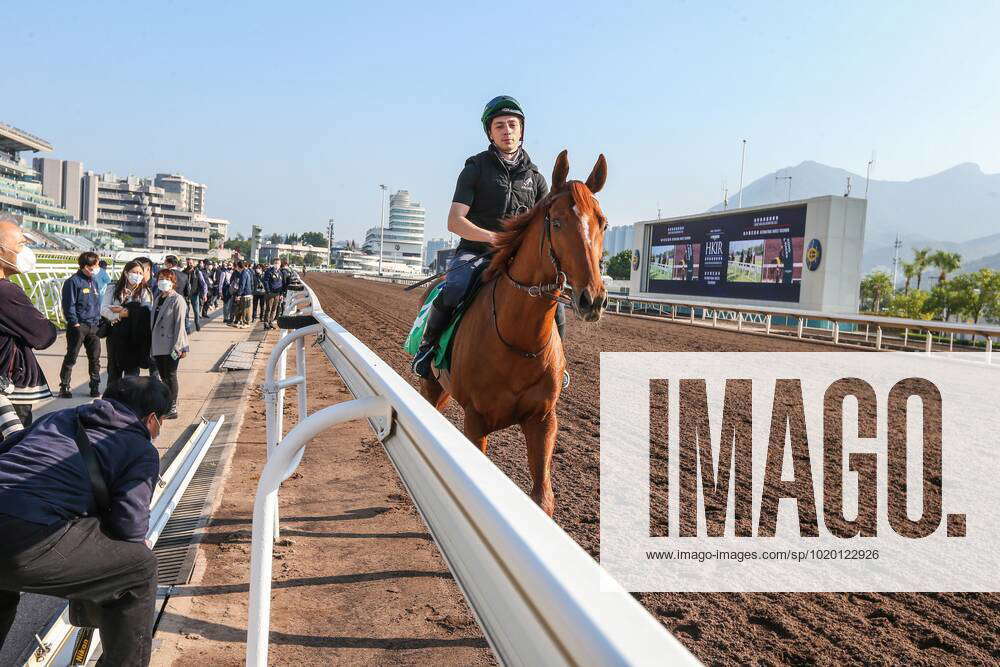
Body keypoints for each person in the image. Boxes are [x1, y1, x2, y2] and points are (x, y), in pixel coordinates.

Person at [0, 376, 170, 666]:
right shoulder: (140, 448)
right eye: (161, 421)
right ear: (152, 419)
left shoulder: (58, 417)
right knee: (140, 569)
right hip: (26, 540)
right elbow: (128, 527)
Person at [411, 95, 568, 385]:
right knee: (454, 288)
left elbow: (545, 229)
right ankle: (427, 349)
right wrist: (492, 238)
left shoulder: (537, 178)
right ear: (490, 133)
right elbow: (455, 220)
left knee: (555, 303)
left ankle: (558, 364)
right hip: (476, 252)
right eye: (499, 126)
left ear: (521, 130)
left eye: (512, 125)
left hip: (517, 260)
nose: (507, 131)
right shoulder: (475, 168)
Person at [0, 215, 56, 435]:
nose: (25, 251)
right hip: (9, 392)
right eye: (21, 245)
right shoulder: (6, 292)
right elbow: (43, 335)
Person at [59, 251, 103, 398]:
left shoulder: (94, 281)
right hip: (79, 326)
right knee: (71, 357)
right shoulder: (73, 281)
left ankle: (94, 385)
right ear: (86, 266)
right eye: (95, 265)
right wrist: (75, 323)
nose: (97, 268)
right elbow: (68, 305)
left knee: (95, 358)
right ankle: (64, 386)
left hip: (93, 325)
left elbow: (97, 304)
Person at [102, 260, 153, 384]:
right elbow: (104, 309)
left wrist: (128, 311)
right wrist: (119, 314)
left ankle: (130, 399)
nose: (137, 275)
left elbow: (146, 312)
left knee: (132, 373)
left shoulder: (144, 291)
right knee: (114, 371)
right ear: (126, 273)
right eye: (134, 272)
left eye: (140, 273)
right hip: (116, 334)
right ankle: (113, 399)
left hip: (135, 336)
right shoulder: (113, 288)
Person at [151, 269, 189, 419]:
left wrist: (178, 346)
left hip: (171, 344)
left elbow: (180, 326)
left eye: (166, 278)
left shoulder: (177, 299)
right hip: (158, 344)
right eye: (160, 278)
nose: (163, 281)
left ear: (173, 282)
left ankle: (172, 407)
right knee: (163, 376)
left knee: (171, 375)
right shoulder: (158, 298)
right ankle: (166, 404)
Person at [183, 257, 207, 332]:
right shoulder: (183, 272)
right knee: (186, 312)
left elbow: (203, 284)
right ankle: (187, 328)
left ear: (193, 264)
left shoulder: (197, 272)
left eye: (190, 263)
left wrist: (204, 294)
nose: (189, 264)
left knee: (196, 311)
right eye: (188, 263)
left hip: (195, 294)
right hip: (186, 295)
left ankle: (197, 323)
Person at [261, 258, 285, 329]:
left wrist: (281, 294)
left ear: (280, 264)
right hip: (270, 293)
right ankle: (266, 323)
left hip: (277, 294)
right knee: (268, 308)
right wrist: (268, 291)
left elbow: (281, 283)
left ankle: (270, 322)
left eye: (278, 263)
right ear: (273, 263)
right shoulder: (269, 271)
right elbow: (265, 282)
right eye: (276, 263)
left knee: (274, 309)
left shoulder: (280, 273)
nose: (277, 264)